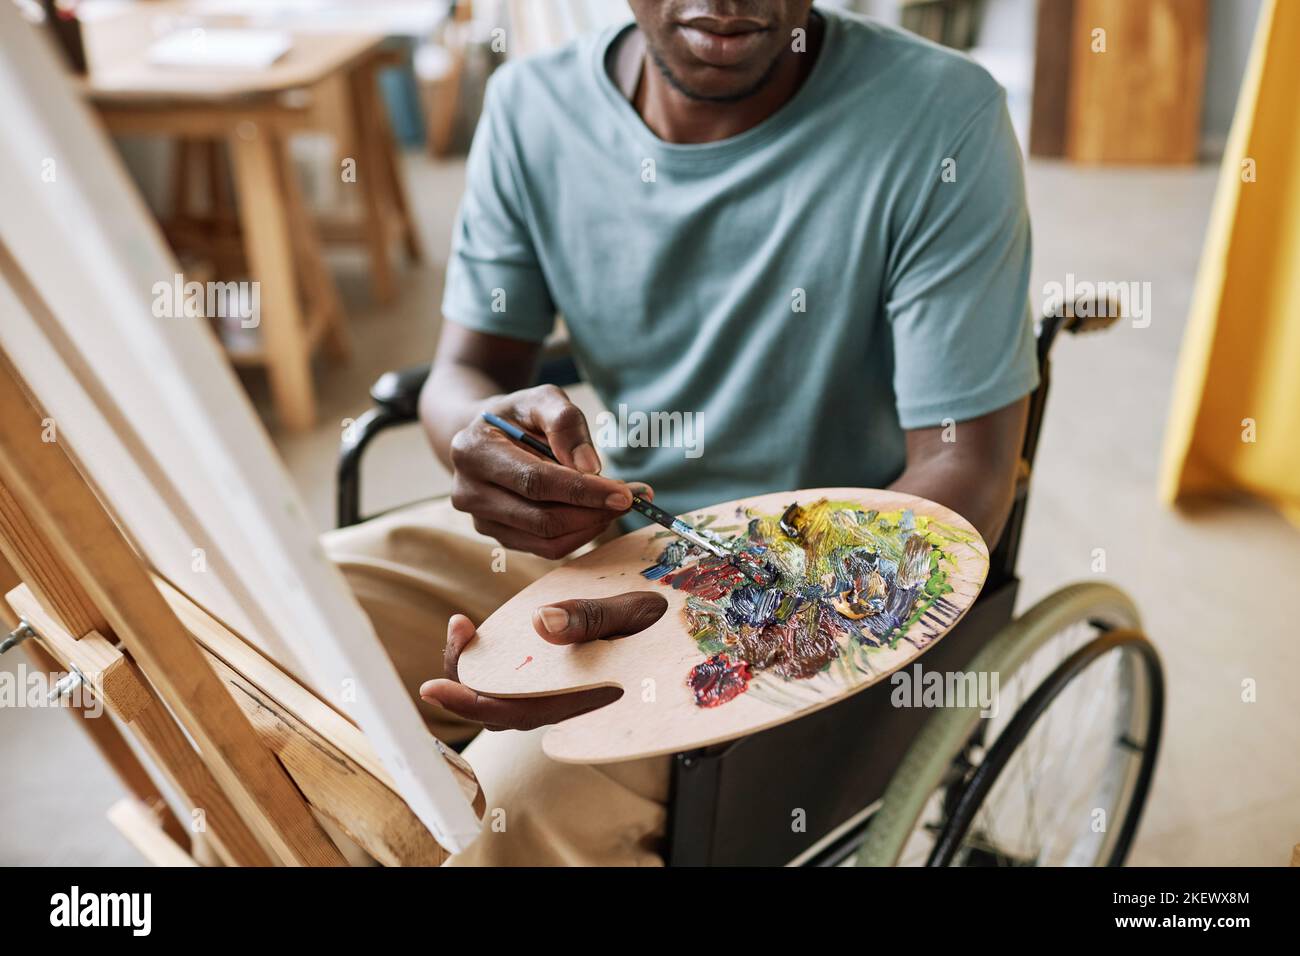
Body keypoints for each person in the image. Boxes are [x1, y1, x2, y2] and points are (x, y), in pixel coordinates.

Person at [324, 0, 1038, 866]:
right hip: (607, 530)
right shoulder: (532, 109)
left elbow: (966, 470)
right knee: (278, 627)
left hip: (818, 585)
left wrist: (688, 637)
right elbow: (467, 373)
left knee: (505, 810)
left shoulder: (937, 117)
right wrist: (480, 436)